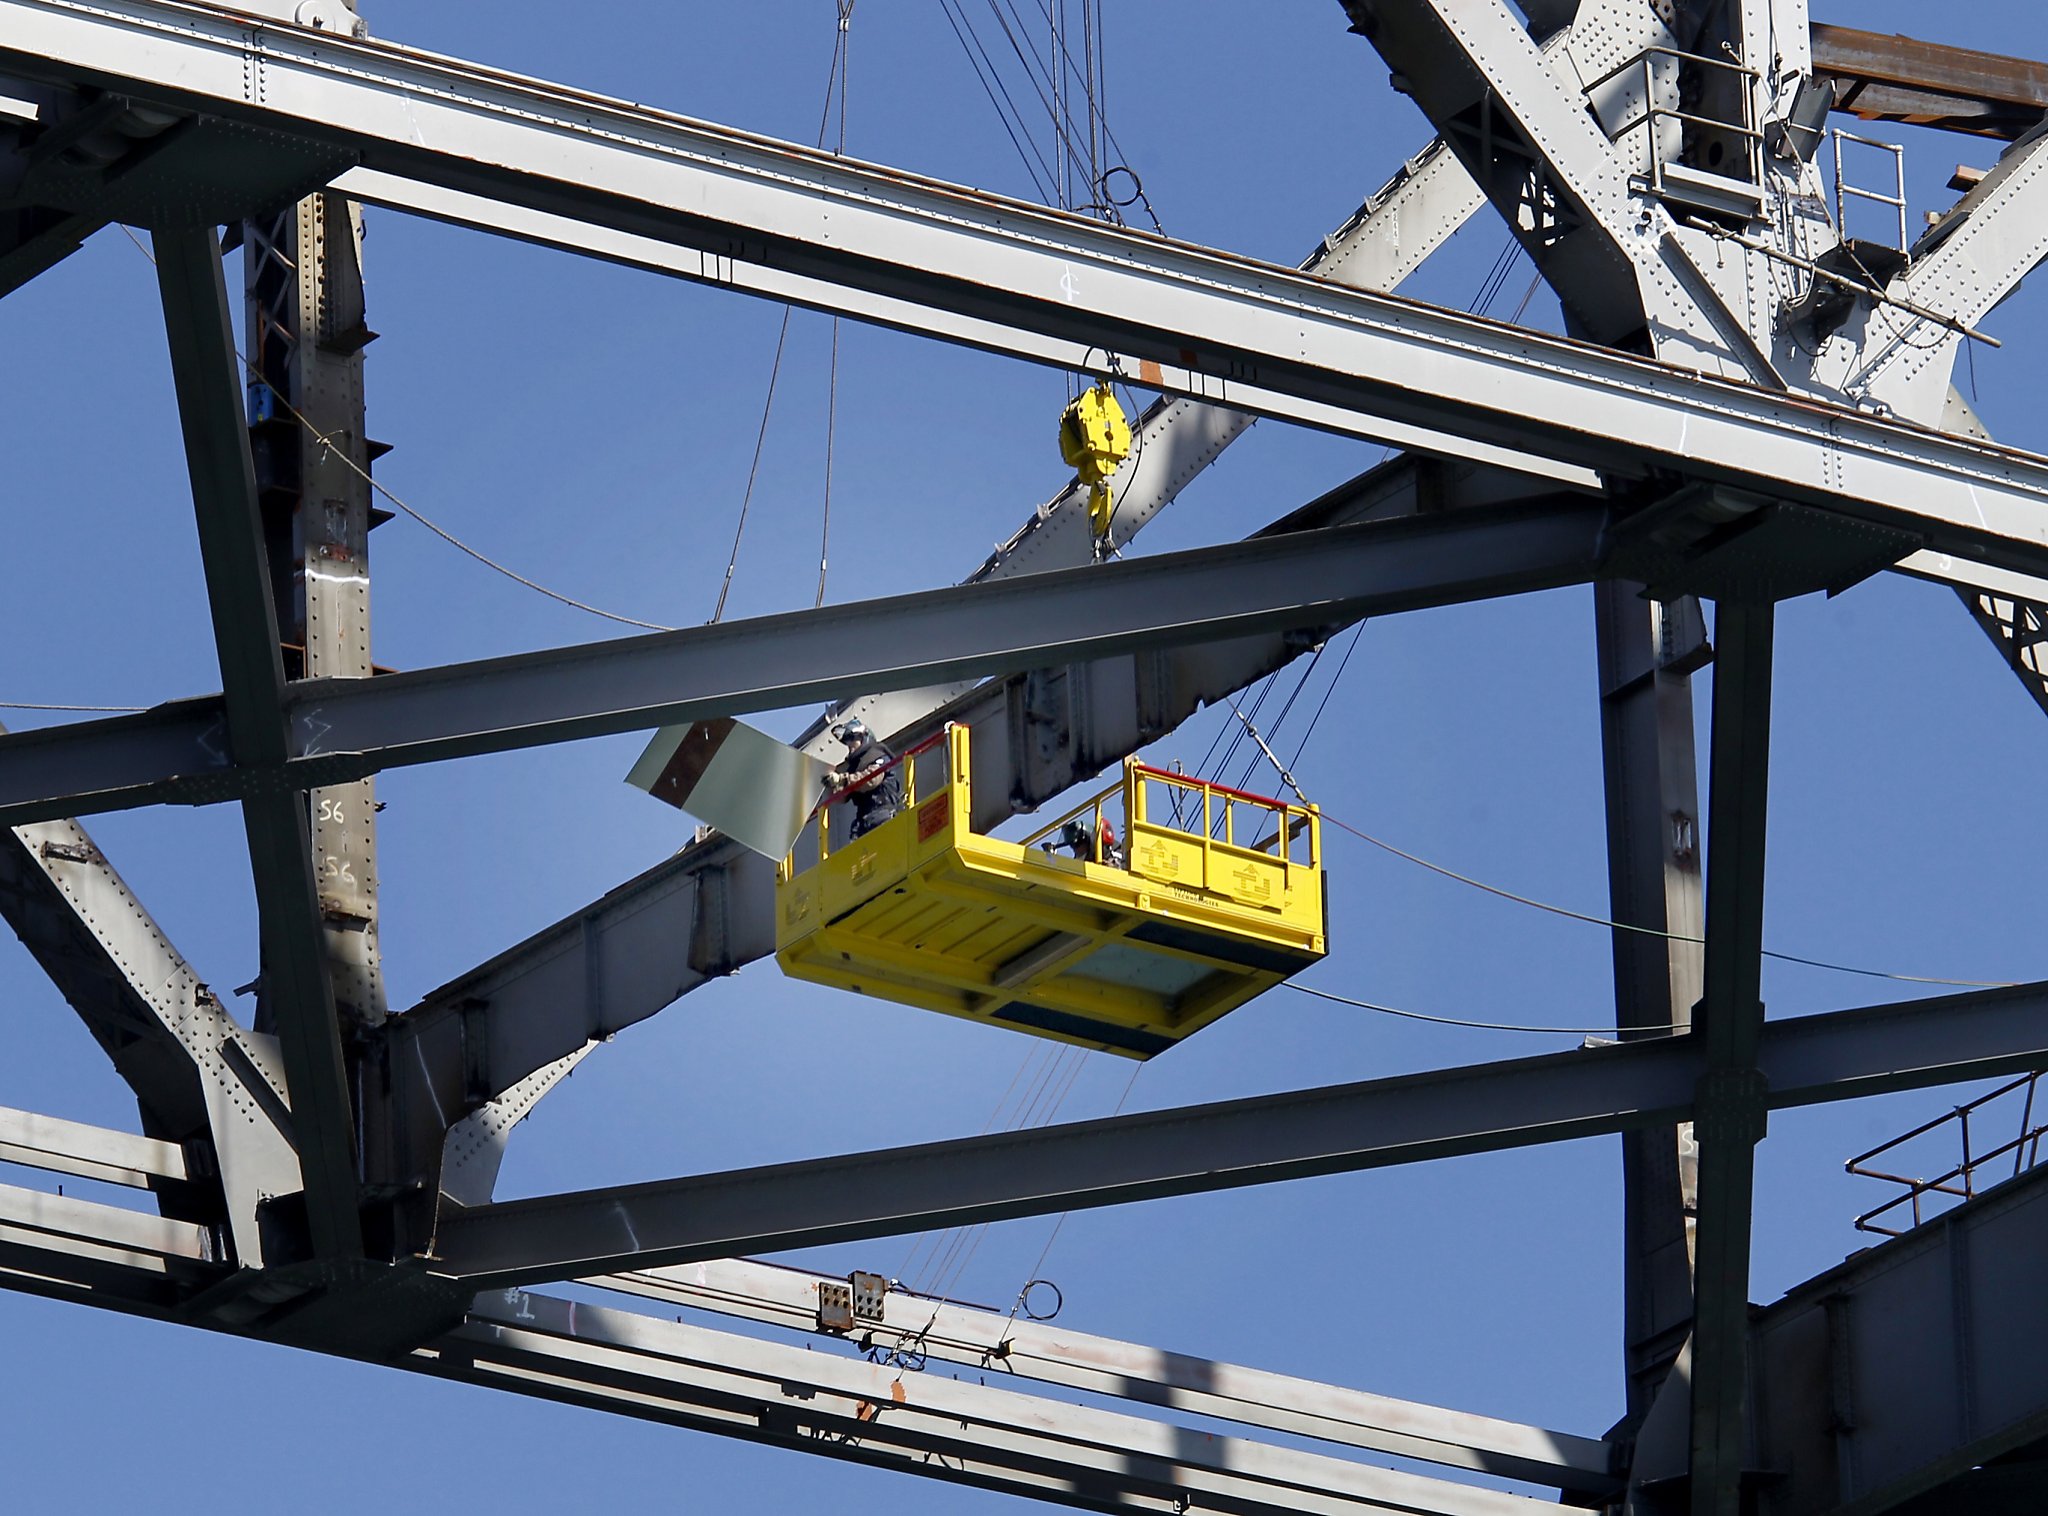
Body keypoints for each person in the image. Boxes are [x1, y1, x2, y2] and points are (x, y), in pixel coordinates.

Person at [824, 716, 902, 839]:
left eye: (852, 738)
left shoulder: (879, 755)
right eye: (847, 740)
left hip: (883, 815)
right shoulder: (855, 769)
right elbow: (841, 798)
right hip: (864, 823)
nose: (849, 744)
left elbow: (871, 779)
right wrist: (831, 785)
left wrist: (843, 780)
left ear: (863, 737)